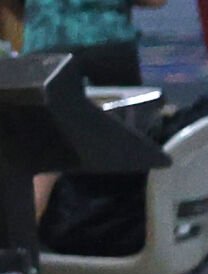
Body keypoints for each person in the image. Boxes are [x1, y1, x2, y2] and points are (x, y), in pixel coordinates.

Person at [8, 0, 167, 217]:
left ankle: (22, 242)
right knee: (123, 153)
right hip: (106, 42)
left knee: (40, 164)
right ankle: (110, 235)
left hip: (44, 46)